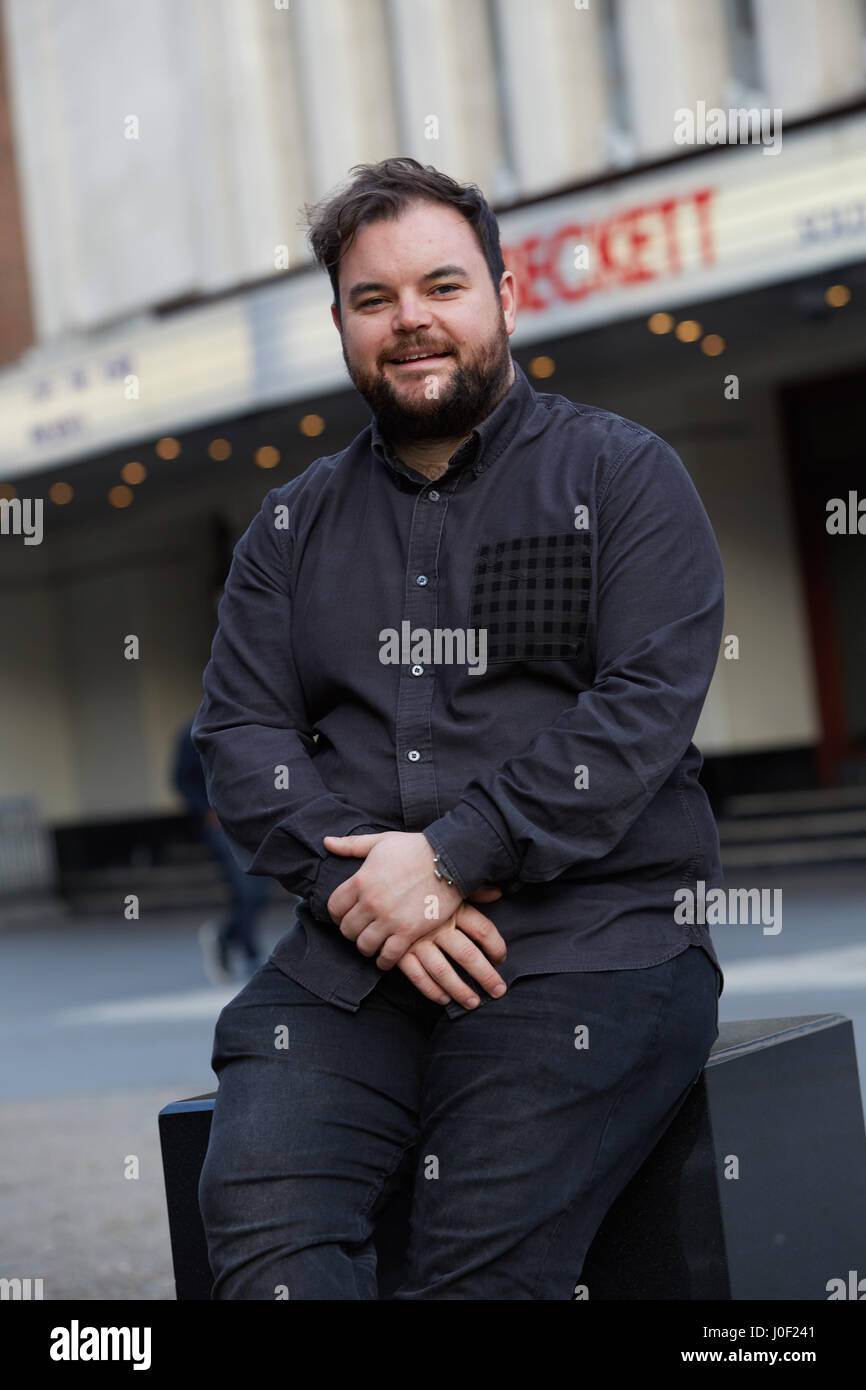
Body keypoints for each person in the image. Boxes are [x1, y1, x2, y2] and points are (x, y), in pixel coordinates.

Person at [191, 156, 725, 1300]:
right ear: (339, 323)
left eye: (441, 286)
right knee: (263, 1242)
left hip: (592, 947)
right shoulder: (288, 529)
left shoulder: (621, 477)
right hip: (352, 962)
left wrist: (445, 860)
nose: (410, 322)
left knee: (475, 1270)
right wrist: (367, 894)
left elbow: (635, 711)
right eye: (372, 299)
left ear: (503, 293)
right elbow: (238, 735)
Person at [172, 716, 270, 982]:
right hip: (219, 826)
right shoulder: (192, 730)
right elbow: (181, 780)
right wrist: (206, 810)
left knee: (259, 893)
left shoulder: (247, 724)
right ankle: (251, 955)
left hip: (252, 821)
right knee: (244, 890)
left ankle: (224, 938)